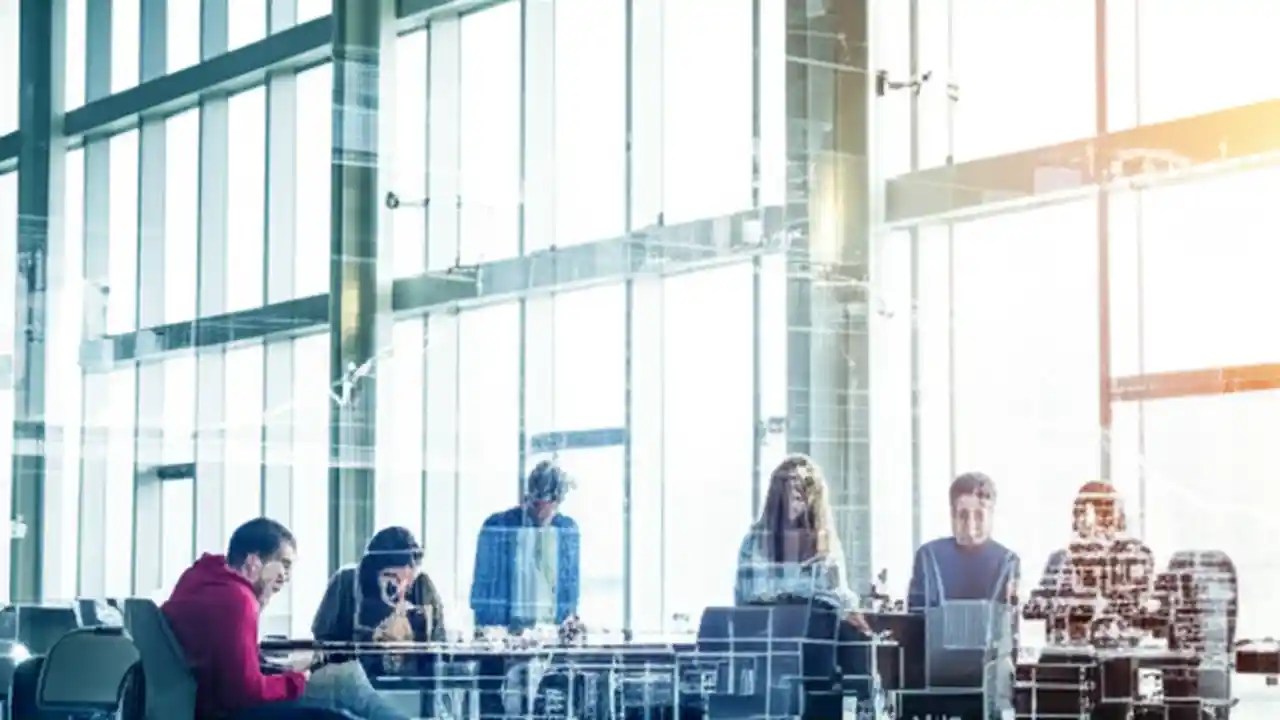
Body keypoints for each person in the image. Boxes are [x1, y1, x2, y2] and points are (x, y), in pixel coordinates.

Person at [162, 517, 400, 720]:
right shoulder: (237, 600)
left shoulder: (203, 580)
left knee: (346, 688)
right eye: (283, 565)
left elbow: (227, 662)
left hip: (203, 702)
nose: (285, 578)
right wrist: (297, 678)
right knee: (346, 681)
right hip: (228, 710)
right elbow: (246, 692)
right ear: (253, 562)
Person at [735, 454, 863, 617]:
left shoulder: (825, 548)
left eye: (798, 497)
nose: (790, 507)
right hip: (764, 637)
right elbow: (744, 606)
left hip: (814, 637)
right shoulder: (753, 544)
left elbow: (839, 601)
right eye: (782, 498)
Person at [312, 526, 447, 680]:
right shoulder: (347, 584)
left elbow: (439, 649)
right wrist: (372, 640)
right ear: (372, 572)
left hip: (412, 687)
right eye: (392, 579)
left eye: (408, 584)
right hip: (351, 680)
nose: (400, 591)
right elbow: (323, 646)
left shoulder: (423, 588)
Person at [1028, 481, 1155, 642]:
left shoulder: (1136, 557)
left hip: (1122, 653)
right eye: (1080, 514)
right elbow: (1034, 608)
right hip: (1068, 653)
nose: (1087, 522)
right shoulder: (1061, 559)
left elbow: (1140, 612)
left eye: (1102, 513)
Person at [469, 460, 581, 633]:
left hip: (549, 634)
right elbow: (482, 587)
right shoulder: (500, 527)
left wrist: (568, 620)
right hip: (503, 633)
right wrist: (486, 629)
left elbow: (569, 587)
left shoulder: (565, 531)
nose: (541, 511)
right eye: (536, 502)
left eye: (550, 504)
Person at [907, 472, 1020, 610]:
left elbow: (1011, 621)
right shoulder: (928, 557)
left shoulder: (1008, 561)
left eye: (979, 516)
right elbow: (915, 619)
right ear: (952, 516)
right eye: (963, 515)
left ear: (991, 515)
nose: (970, 527)